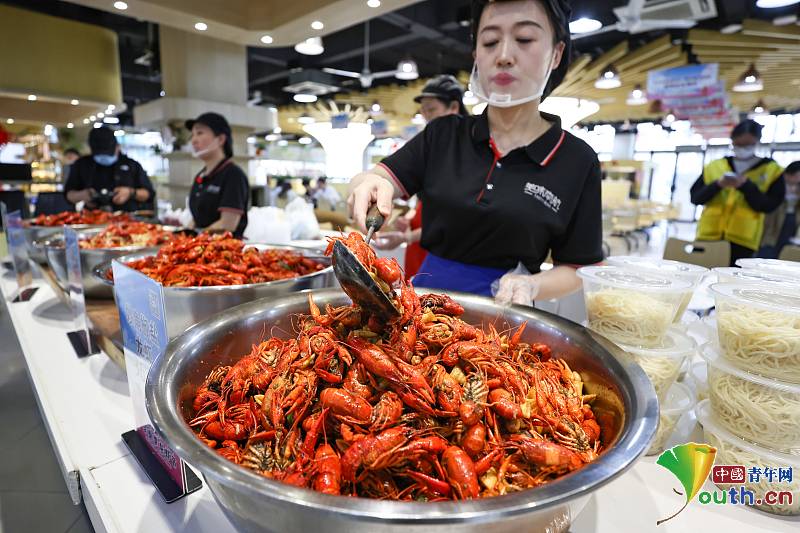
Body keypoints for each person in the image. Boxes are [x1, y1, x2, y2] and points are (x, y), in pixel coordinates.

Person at [348, 0, 602, 305]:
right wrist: (368, 184)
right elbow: (381, 177)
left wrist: (532, 286)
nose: (504, 56)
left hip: (505, 314)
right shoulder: (444, 134)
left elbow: (577, 268)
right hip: (423, 303)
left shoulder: (577, 160)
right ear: (476, 55)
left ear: (556, 53)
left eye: (524, 39)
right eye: (490, 41)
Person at [375, 75, 469, 278]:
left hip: (447, 257)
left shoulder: (466, 153)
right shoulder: (432, 147)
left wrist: (406, 237)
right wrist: (408, 218)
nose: (426, 116)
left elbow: (455, 219)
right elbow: (423, 198)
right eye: (424, 110)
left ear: (454, 107)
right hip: (421, 248)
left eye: (432, 109)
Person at [691, 119, 785, 266]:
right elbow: (695, 197)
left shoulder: (772, 170)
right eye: (738, 144)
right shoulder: (715, 165)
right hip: (708, 234)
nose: (742, 148)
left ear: (757, 142)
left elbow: (770, 205)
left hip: (744, 239)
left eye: (747, 145)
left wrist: (746, 186)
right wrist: (718, 184)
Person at [186, 112, 249, 238]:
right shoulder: (200, 176)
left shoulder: (233, 175)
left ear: (220, 139)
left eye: (199, 133)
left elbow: (228, 224)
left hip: (225, 251)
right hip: (200, 249)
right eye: (192, 135)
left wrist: (196, 238)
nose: (193, 140)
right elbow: (197, 218)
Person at [65, 127, 154, 212]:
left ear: (117, 147)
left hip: (127, 218)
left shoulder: (132, 165)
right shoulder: (81, 164)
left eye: (108, 153)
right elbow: (68, 194)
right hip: (92, 218)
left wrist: (130, 192)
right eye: (100, 154)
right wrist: (82, 195)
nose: (104, 157)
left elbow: (149, 194)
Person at [760, 161, 800, 259]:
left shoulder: (798, 186)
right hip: (774, 220)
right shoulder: (776, 181)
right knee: (768, 250)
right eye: (797, 176)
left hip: (791, 220)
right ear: (789, 174)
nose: (798, 179)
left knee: (784, 249)